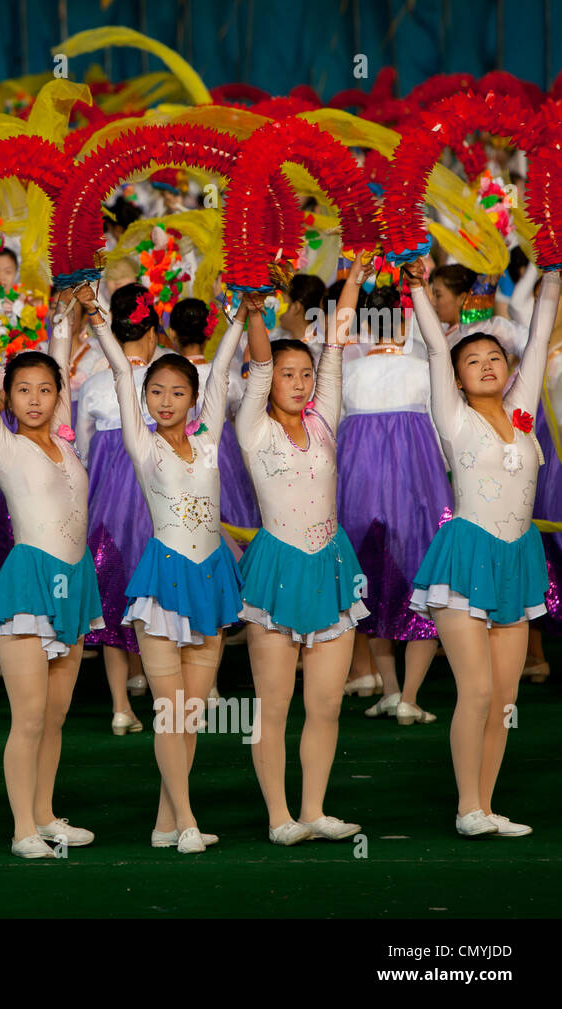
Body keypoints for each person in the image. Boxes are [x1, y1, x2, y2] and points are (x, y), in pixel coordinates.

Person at [83, 284, 245, 852]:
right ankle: (189, 820)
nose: (167, 400)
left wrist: (242, 318)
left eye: (179, 392)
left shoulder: (209, 438)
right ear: (147, 397)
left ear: (194, 398)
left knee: (190, 717)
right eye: (158, 392)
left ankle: (164, 822)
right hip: (163, 581)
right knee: (168, 712)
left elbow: (223, 374)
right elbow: (121, 379)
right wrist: (99, 321)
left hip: (211, 577)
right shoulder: (142, 445)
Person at [406, 262, 561, 838]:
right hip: (465, 557)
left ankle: (487, 805)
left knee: (503, 695)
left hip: (518, 558)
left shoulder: (522, 413)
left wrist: (551, 277)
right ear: (458, 377)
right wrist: (418, 288)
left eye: (494, 356)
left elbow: (541, 333)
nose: (487, 364)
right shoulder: (454, 418)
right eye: (472, 361)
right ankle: (467, 807)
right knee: (473, 689)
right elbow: (432, 346)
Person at [0, 290, 103, 859]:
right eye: (23, 390)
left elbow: (60, 352)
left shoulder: (66, 442)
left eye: (45, 389)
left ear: (58, 395)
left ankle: (46, 814)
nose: (35, 399)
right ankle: (22, 830)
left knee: (56, 716)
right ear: (7, 398)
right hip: (28, 585)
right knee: (30, 716)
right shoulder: (5, 444)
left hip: (74, 579)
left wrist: (69, 307)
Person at [235, 254, 373, 846]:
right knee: (274, 703)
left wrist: (357, 279)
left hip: (333, 564)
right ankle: (279, 816)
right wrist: (254, 313)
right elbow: (261, 363)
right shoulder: (252, 425)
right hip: (277, 567)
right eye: (288, 375)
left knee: (325, 705)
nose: (298, 383)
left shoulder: (325, 421)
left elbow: (336, 346)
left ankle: (314, 809)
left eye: (305, 376)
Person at [337, 282, 450, 724]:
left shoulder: (349, 374)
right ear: (404, 322)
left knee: (372, 584)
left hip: (359, 493)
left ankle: (393, 688)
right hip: (417, 491)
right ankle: (408, 696)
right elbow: (444, 436)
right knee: (423, 585)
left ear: (368, 323)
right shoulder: (423, 369)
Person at [75, 283, 163, 734]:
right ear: (150, 332)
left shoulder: (93, 386)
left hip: (107, 509)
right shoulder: (167, 381)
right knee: (162, 599)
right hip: (159, 504)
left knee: (112, 602)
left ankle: (120, 706)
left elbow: (84, 456)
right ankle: (166, 693)